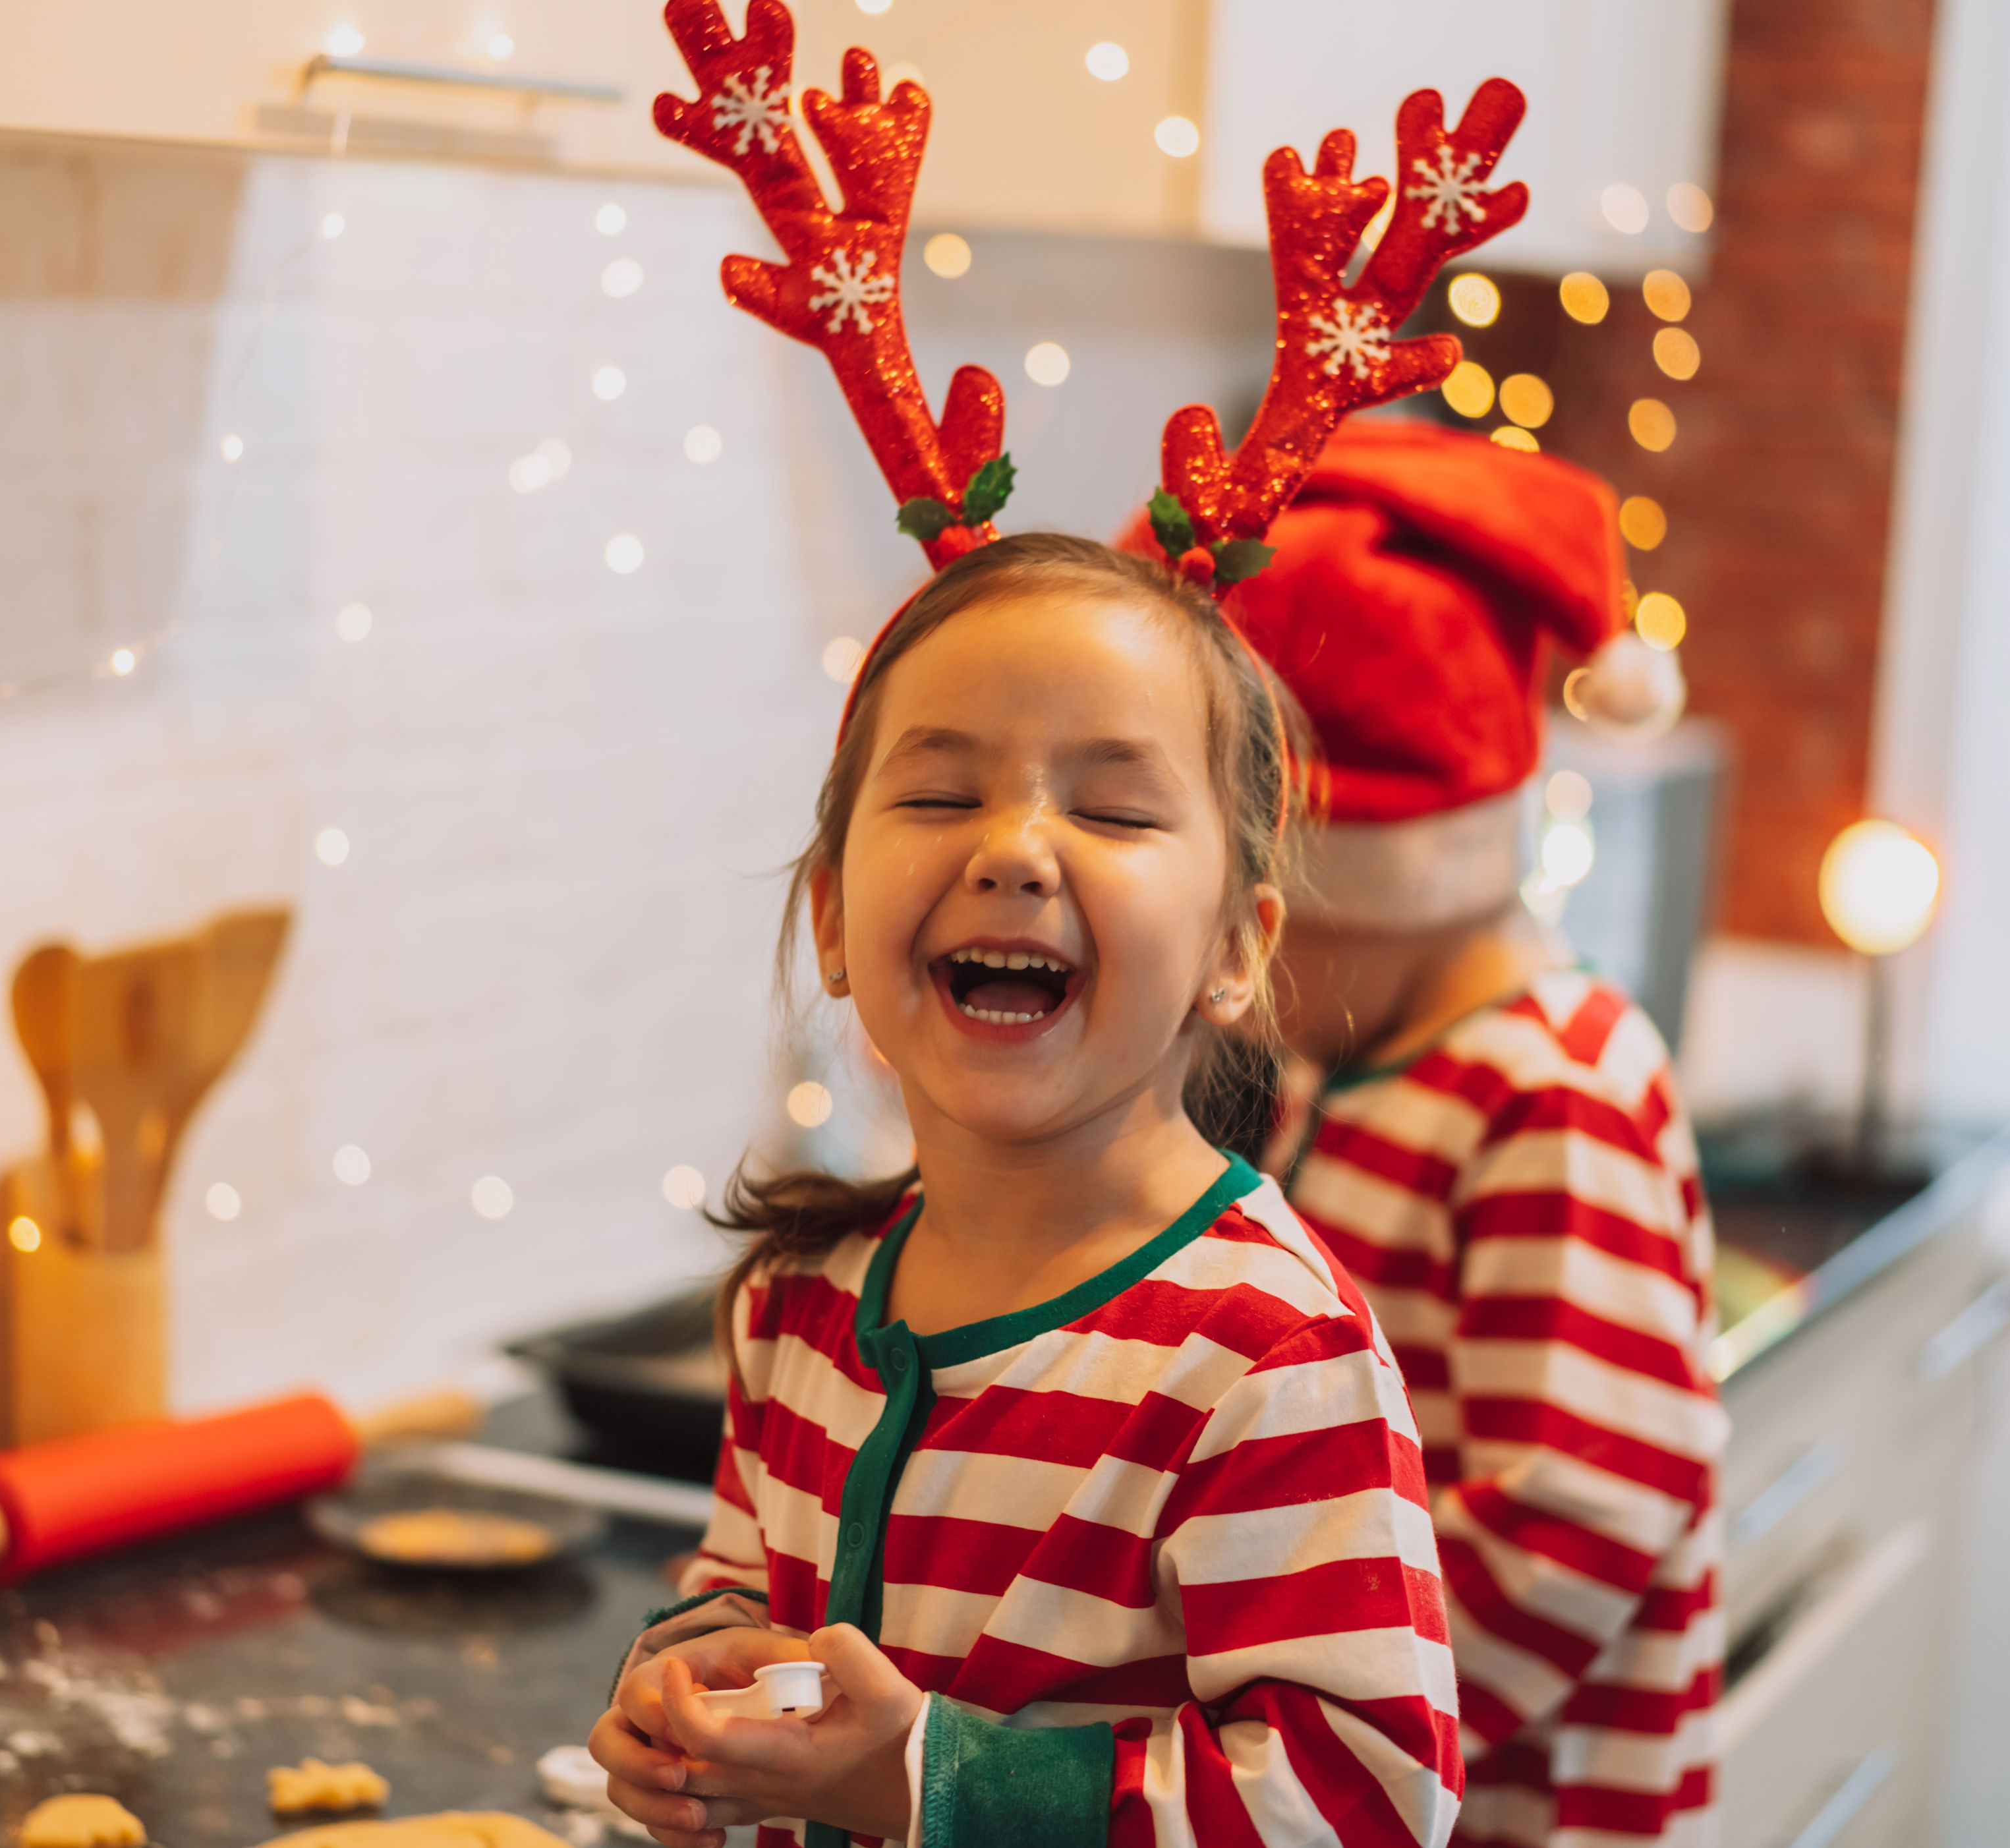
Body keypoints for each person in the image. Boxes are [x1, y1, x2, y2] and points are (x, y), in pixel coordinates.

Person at [587, 536, 1461, 1848]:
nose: (1015, 850)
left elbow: (1366, 1803)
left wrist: (931, 1781)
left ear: (1236, 946)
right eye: (941, 794)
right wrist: (686, 1689)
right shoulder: (798, 1303)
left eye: (1110, 812)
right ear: (832, 916)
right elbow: (738, 1588)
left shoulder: (1268, 1358)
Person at [1186, 419, 1725, 1848]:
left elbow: (1583, 1512)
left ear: (1376, 887)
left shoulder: (1551, 1093)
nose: (1236, 980)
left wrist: (1333, 1735)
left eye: (1259, 933)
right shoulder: (1361, 1064)